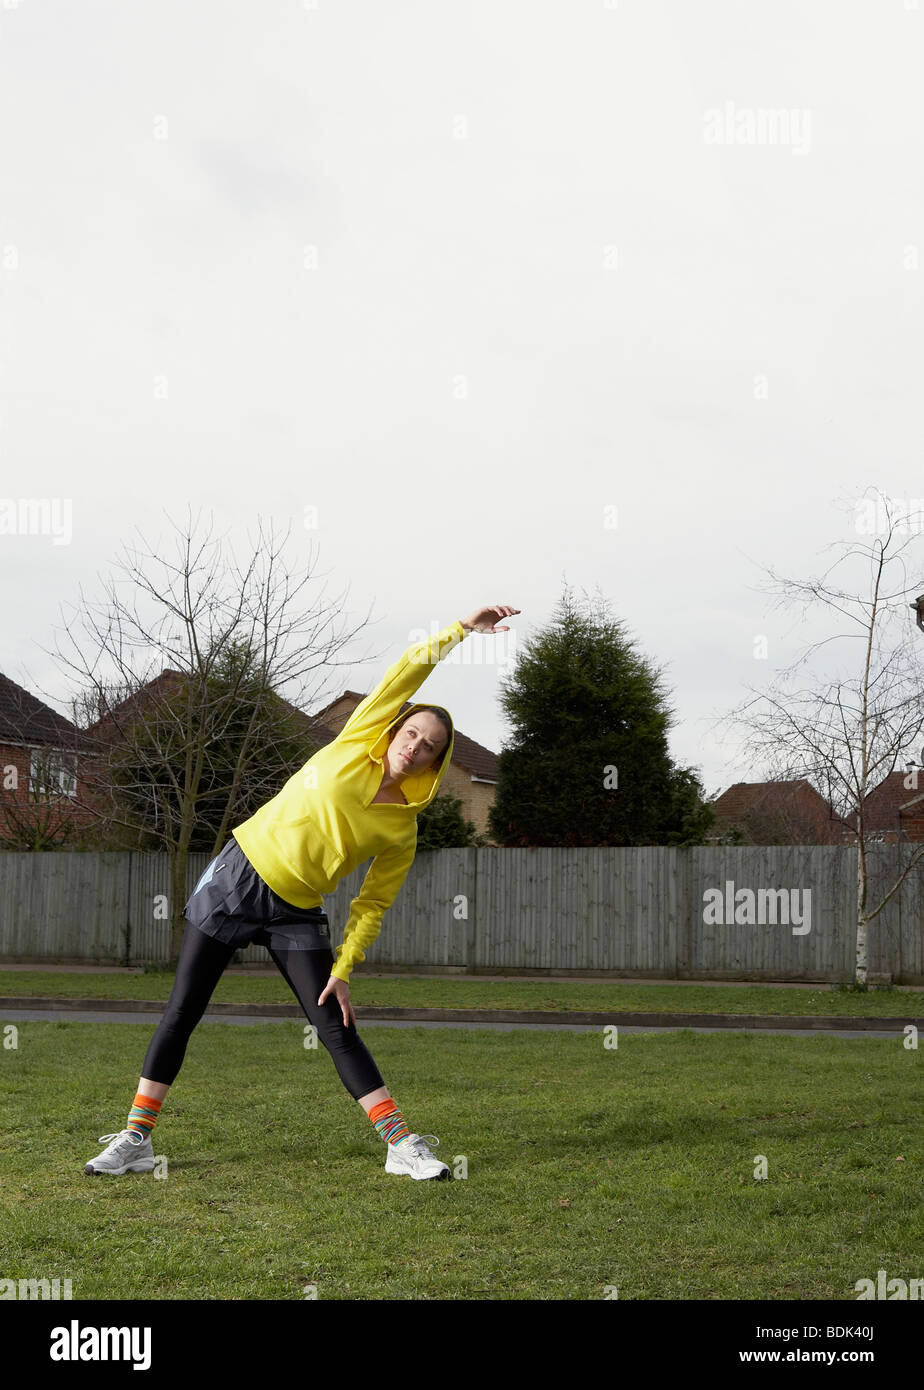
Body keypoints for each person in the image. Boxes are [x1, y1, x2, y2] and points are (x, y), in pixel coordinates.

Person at [84, 604, 520, 1182]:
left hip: (296, 910)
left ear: (436, 763)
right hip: (237, 878)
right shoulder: (357, 736)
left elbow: (371, 904)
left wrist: (345, 967)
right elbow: (409, 671)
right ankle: (135, 1140)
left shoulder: (403, 828)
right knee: (183, 1009)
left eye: (429, 745)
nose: (414, 745)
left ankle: (401, 1144)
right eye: (411, 732)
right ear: (395, 730)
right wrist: (462, 630)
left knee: (334, 1023)